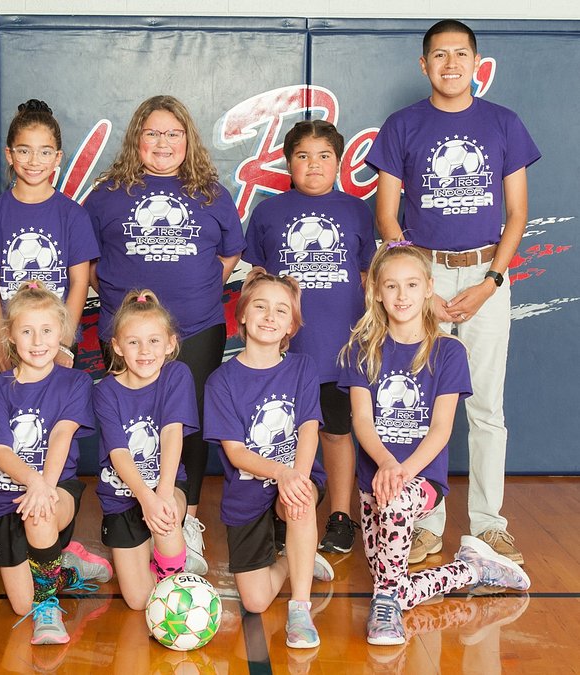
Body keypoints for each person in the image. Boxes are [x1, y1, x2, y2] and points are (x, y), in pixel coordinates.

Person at [367, 19, 541, 565]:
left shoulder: (503, 123)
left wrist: (491, 281)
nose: (449, 64)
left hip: (487, 273)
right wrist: (422, 289)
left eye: (460, 54)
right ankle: (424, 521)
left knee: (486, 407)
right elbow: (387, 215)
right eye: (439, 55)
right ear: (424, 65)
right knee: (420, 408)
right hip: (424, 275)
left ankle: (489, 524)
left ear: (476, 63)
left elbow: (517, 215)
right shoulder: (402, 125)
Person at [338, 242, 530, 645]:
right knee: (388, 576)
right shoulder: (362, 348)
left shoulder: (448, 351)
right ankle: (471, 570)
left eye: (411, 285)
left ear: (429, 288)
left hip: (419, 480)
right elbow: (362, 422)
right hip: (376, 477)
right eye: (391, 286)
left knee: (388, 558)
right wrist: (388, 466)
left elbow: (441, 429)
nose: (402, 295)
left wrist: (404, 472)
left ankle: (386, 613)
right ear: (375, 290)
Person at [85, 94, 246, 573]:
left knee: (187, 424)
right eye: (152, 132)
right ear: (137, 138)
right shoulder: (106, 194)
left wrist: (191, 293)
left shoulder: (211, 194)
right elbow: (90, 266)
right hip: (127, 331)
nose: (163, 142)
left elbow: (227, 258)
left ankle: (185, 521)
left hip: (195, 328)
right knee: (130, 424)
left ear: (188, 140)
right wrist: (130, 313)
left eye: (173, 134)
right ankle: (132, 516)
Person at [244, 120, 376, 554]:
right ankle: (283, 512)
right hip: (288, 350)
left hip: (341, 348)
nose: (313, 164)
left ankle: (340, 515)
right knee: (282, 434)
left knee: (337, 432)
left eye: (323, 156)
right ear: (288, 163)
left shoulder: (357, 211)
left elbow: (365, 277)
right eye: (302, 156)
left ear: (339, 162)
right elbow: (258, 280)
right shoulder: (268, 213)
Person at [0, 282, 112, 645]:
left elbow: (61, 436)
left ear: (62, 332)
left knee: (40, 515)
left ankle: (48, 607)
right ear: (9, 337)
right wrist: (32, 483)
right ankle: (64, 566)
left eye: (47, 330)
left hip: (56, 492)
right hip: (9, 499)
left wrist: (44, 488)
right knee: (20, 605)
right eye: (27, 331)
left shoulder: (76, 382)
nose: (38, 341)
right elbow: (2, 453)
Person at [204, 267, 329, 649]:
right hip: (249, 493)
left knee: (300, 501)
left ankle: (300, 609)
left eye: (281, 310)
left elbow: (309, 427)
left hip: (294, 481)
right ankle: (297, 556)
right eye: (260, 307)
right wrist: (282, 473)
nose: (270, 317)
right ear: (241, 314)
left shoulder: (303, 367)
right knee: (256, 601)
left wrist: (297, 479)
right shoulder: (221, 381)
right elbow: (236, 453)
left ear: (292, 325)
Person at [0, 99, 99, 372]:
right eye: (24, 151)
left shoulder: (73, 216)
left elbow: (78, 282)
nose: (34, 161)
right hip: (11, 341)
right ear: (9, 154)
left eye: (45, 152)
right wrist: (2, 343)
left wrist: (63, 343)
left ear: (58, 158)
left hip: (56, 342)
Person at [94, 290, 197, 609]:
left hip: (164, 485)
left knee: (166, 514)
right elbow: (119, 454)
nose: (144, 351)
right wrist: (146, 498)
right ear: (117, 346)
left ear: (170, 343)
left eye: (153, 341)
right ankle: (156, 558)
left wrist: (162, 494)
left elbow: (171, 433)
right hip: (122, 496)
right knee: (138, 602)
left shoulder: (176, 375)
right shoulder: (105, 391)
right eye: (133, 342)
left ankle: (172, 582)